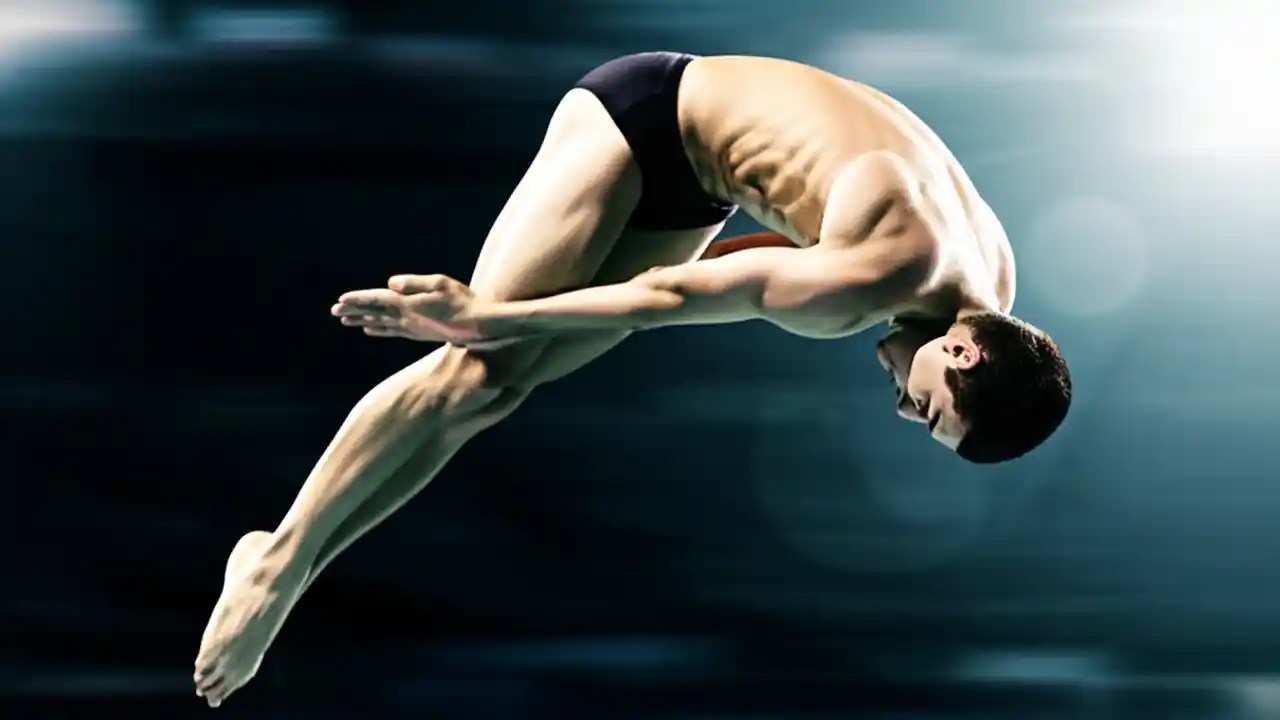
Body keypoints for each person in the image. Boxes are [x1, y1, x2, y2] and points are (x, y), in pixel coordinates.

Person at [193, 51, 1072, 707]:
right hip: (642, 116)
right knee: (477, 365)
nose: (902, 410)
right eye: (928, 411)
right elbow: (663, 296)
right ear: (964, 355)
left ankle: (290, 566)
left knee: (498, 393)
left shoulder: (989, 284)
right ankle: (274, 563)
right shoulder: (866, 287)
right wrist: (480, 315)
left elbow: (761, 249)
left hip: (699, 181)